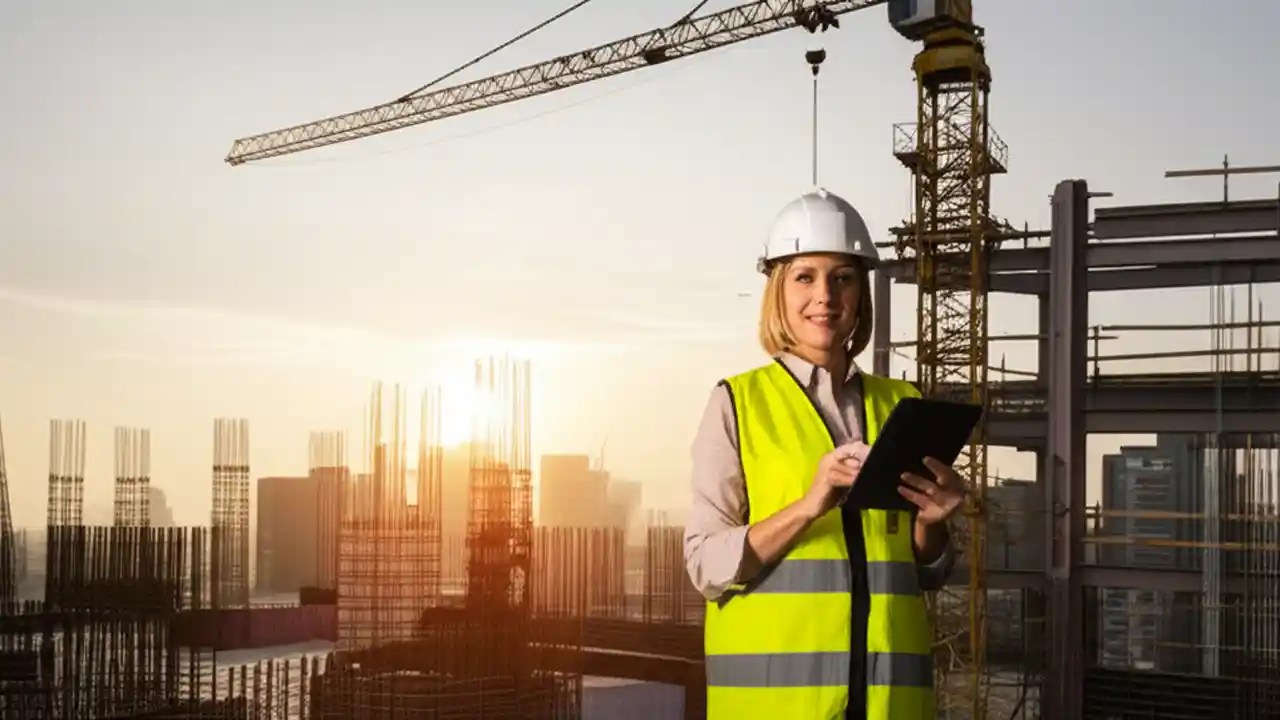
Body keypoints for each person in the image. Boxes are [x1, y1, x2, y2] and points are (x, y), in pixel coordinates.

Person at [682, 187, 968, 719]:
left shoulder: (900, 404)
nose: (826, 296)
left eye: (843, 278)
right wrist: (809, 506)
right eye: (805, 277)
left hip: (889, 708)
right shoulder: (737, 404)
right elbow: (704, 565)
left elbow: (924, 573)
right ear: (777, 291)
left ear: (862, 293)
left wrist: (933, 524)